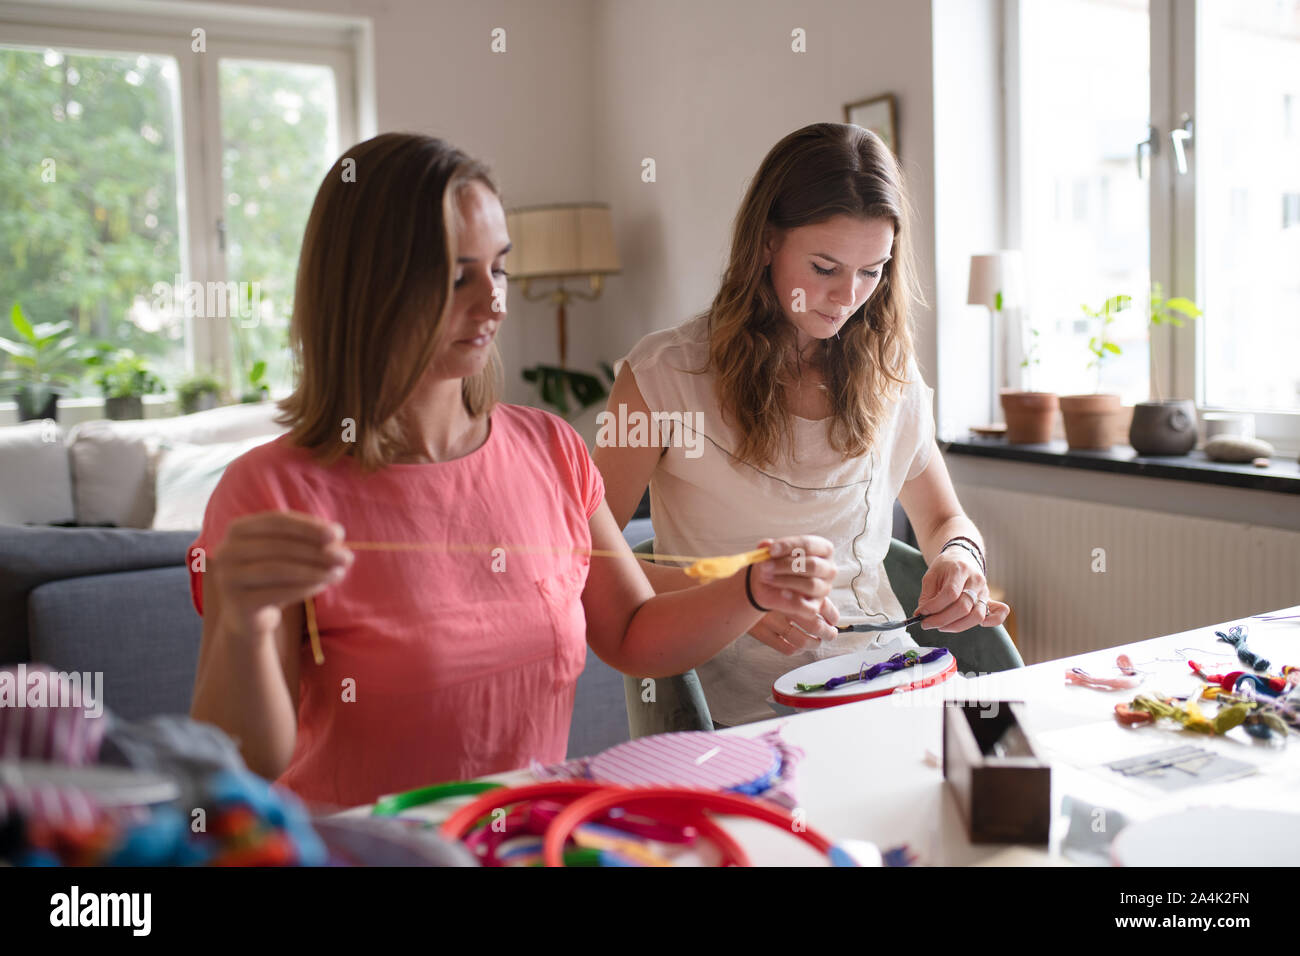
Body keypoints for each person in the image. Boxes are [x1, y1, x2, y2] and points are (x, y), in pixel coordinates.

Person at [187, 132, 837, 807]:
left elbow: (634, 634)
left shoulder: (549, 449)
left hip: (521, 842)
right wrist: (245, 622)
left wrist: (754, 588)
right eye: (455, 275)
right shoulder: (270, 490)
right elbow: (238, 768)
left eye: (498, 267)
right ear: (367, 286)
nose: (493, 298)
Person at [593, 122, 1012, 727]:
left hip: (888, 683)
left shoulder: (889, 369)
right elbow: (584, 559)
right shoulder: (664, 375)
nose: (847, 296)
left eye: (873, 271)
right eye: (824, 267)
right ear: (766, 243)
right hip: (731, 711)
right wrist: (736, 600)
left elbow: (944, 518)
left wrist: (961, 558)